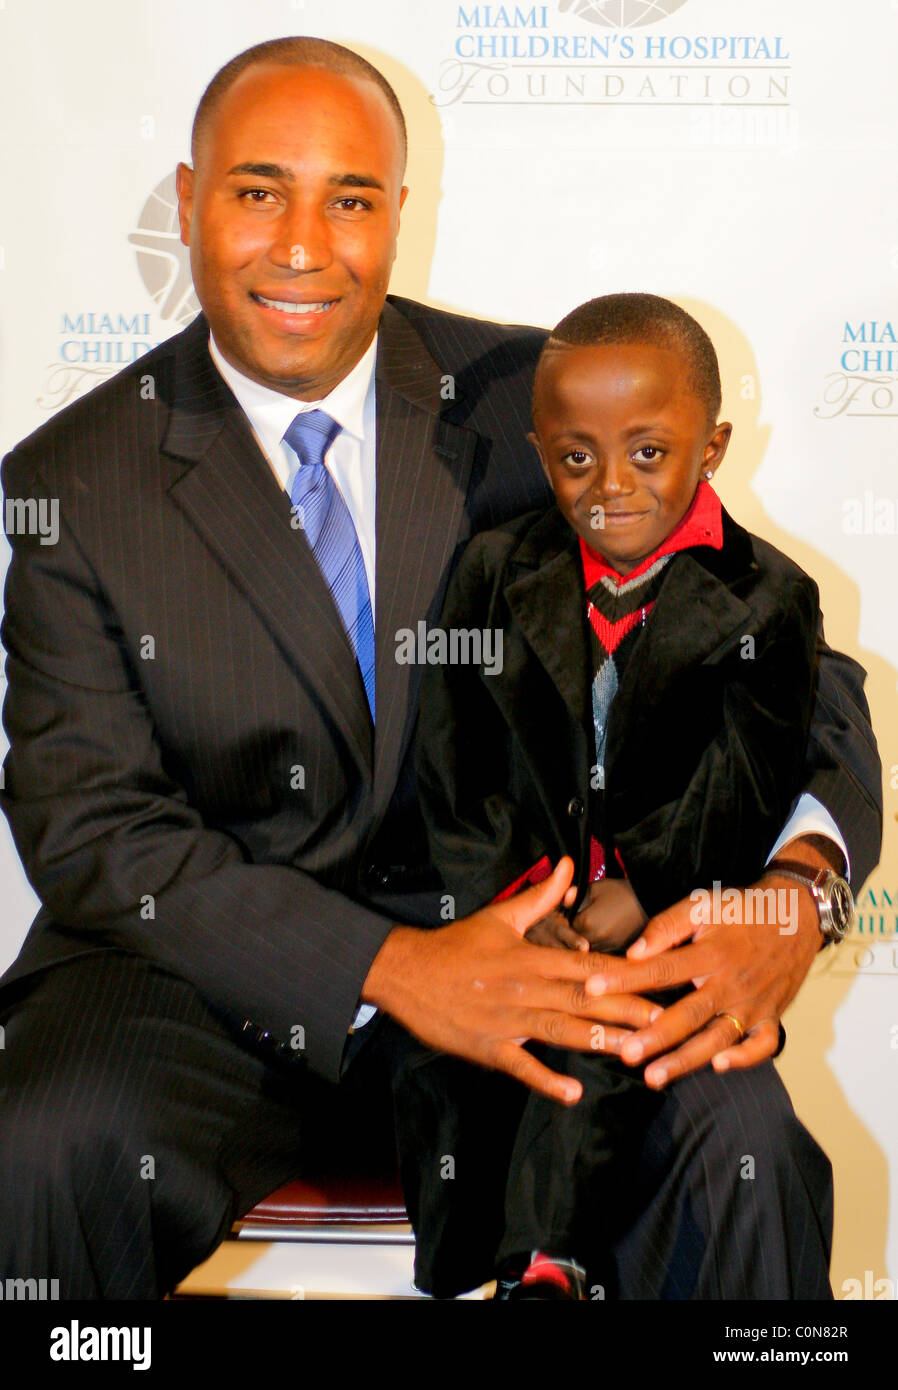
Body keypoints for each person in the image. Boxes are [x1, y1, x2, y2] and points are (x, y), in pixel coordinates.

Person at [0, 37, 881, 1299]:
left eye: (348, 200)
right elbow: (95, 830)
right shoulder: (72, 486)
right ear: (188, 203)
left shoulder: (538, 404)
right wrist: (390, 970)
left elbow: (791, 666)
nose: (304, 244)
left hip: (540, 955)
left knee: (738, 1147)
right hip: (196, 986)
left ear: (397, 217)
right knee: (34, 1146)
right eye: (259, 192)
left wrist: (791, 896)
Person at [392, 292, 827, 1300]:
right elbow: (453, 764)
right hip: (519, 924)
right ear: (540, 449)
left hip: (666, 928)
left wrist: (646, 882)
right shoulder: (495, 572)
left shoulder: (767, 597)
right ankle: (493, 1258)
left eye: (647, 453)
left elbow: (745, 779)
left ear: (711, 446)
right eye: (575, 458)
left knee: (612, 1039)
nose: (610, 488)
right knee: (479, 1064)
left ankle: (544, 1268)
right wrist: (514, 903)